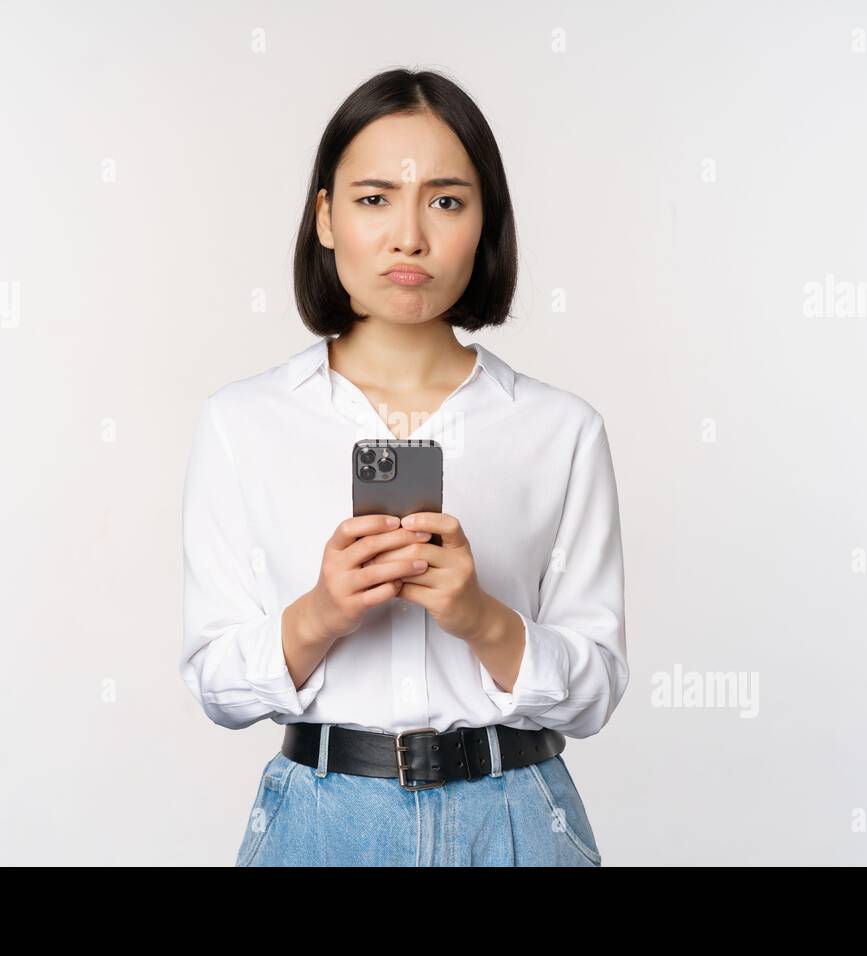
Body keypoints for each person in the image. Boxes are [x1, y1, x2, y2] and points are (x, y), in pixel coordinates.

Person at [181, 68, 628, 866]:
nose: (409, 236)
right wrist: (320, 612)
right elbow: (216, 681)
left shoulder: (561, 431)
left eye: (447, 201)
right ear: (325, 217)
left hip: (518, 821)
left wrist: (481, 619)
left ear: (485, 222)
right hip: (319, 823)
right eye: (374, 198)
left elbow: (595, 692)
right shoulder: (242, 423)